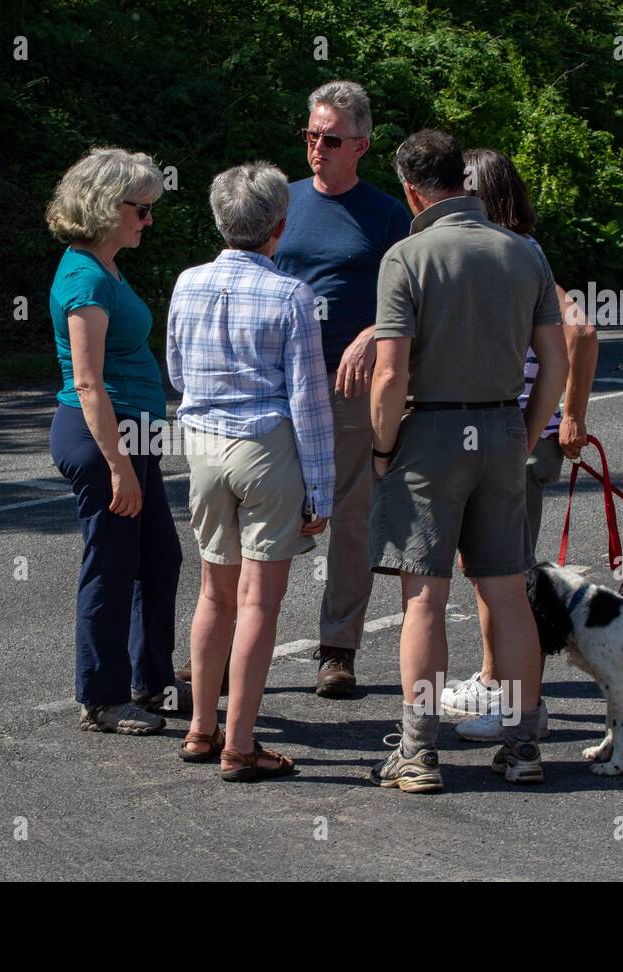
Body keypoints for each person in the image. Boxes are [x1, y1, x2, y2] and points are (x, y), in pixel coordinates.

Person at [367, 130, 567, 792]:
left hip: (430, 433)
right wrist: (526, 433)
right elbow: (557, 362)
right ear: (463, 179)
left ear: (411, 190)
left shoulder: (406, 256)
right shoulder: (522, 253)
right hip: (502, 429)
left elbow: (390, 374)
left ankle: (419, 751)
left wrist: (382, 448)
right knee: (507, 592)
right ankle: (523, 744)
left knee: (424, 597)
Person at [167, 162, 335, 780]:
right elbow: (308, 401)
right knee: (259, 602)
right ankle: (239, 744)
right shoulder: (292, 294)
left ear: (219, 220)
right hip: (267, 447)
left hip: (205, 448)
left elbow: (177, 372)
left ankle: (199, 728)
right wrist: (321, 491)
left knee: (214, 593)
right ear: (279, 226)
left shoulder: (187, 282)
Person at [436, 148, 600, 742]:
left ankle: (520, 708)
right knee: (489, 568)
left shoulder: (515, 252)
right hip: (509, 433)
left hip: (516, 433)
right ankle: (493, 681)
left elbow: (581, 329)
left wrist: (566, 418)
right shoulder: (511, 250)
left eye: (458, 188)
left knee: (504, 573)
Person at [270, 80, 412, 698]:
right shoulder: (280, 202)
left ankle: (338, 649)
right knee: (268, 512)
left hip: (349, 384)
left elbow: (412, 298)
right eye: (310, 135)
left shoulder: (387, 215)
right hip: (281, 383)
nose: (316, 148)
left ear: (361, 145)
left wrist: (373, 333)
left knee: (350, 521)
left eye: (330, 139)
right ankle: (230, 646)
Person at [46, 147, 186, 735]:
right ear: (106, 207)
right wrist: (119, 466)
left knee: (158, 558)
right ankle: (101, 698)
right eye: (141, 208)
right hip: (106, 437)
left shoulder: (104, 266)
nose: (148, 220)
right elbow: (87, 382)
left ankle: (151, 681)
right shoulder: (85, 278)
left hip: (132, 431)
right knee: (111, 563)